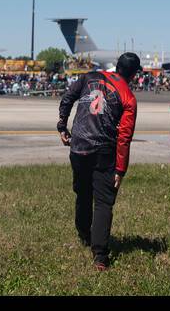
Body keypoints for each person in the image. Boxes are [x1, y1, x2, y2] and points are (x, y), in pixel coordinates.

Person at [57, 51, 140, 270]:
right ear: (133, 74)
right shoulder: (128, 97)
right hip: (104, 151)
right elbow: (124, 137)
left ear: (117, 66)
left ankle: (84, 234)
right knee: (103, 203)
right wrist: (120, 170)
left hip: (79, 146)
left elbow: (67, 97)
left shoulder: (89, 77)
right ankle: (100, 256)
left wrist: (62, 125)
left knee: (83, 193)